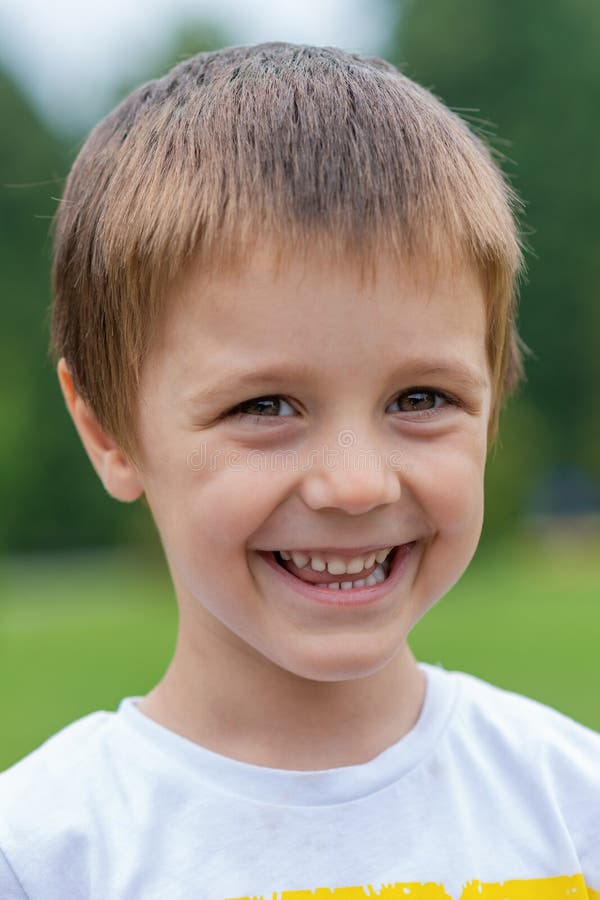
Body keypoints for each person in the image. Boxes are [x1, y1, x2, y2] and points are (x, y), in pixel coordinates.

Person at [0, 41, 598, 900]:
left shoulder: (574, 808)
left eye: (420, 398)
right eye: (266, 407)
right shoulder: (43, 856)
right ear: (107, 430)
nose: (356, 486)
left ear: (495, 401)